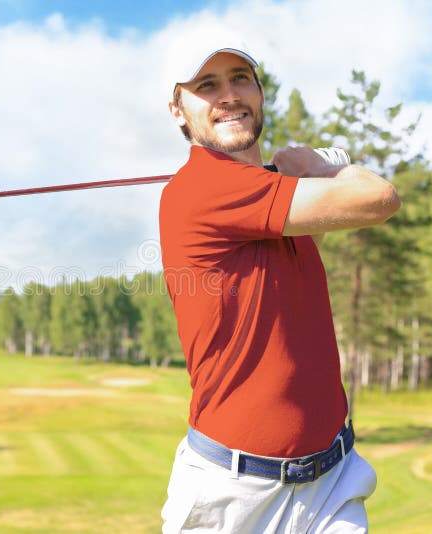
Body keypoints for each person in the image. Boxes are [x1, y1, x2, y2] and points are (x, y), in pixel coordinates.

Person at [158, 46, 400, 533]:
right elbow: (378, 198)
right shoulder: (201, 188)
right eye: (207, 86)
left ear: (260, 94)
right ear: (178, 111)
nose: (229, 95)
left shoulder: (269, 193)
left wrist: (296, 172)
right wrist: (319, 164)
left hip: (332, 481)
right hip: (235, 498)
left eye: (241, 79)